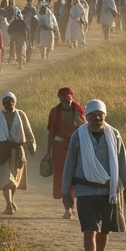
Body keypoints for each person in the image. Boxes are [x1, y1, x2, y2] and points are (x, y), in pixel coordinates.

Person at [61, 99, 126, 251]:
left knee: (104, 231)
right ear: (86, 117)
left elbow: (123, 162)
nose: (96, 118)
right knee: (89, 229)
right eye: (92, 115)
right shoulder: (79, 136)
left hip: (109, 191)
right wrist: (65, 193)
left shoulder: (114, 134)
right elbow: (69, 164)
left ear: (105, 115)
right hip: (85, 190)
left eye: (99, 114)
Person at [0, 92, 36, 214]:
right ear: (2, 103)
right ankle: (9, 205)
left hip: (18, 150)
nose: (8, 104)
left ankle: (11, 201)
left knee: (14, 179)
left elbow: (28, 131)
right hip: (4, 151)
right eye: (6, 102)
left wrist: (32, 145)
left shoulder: (21, 115)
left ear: (15, 102)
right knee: (6, 179)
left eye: (10, 101)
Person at [46, 88, 85, 217]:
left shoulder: (78, 110)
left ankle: (75, 204)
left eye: (67, 99)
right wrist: (48, 151)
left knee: (78, 175)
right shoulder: (55, 112)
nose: (65, 102)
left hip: (77, 147)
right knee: (63, 176)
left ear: (71, 98)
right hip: (60, 147)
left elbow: (85, 129)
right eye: (62, 99)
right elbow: (51, 132)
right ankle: (68, 207)